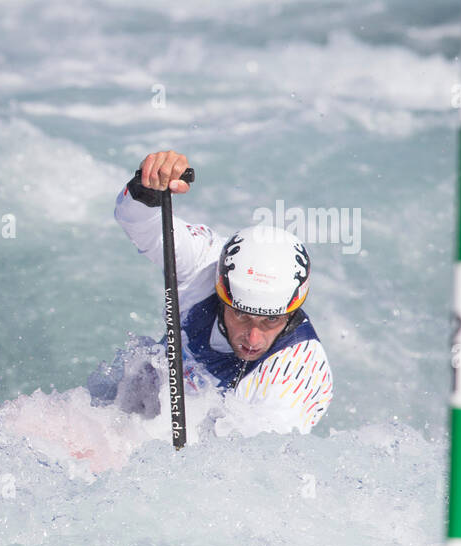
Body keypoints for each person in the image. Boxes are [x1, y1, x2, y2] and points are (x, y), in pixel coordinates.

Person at [110, 150, 333, 433]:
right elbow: (140, 221)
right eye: (240, 314)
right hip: (128, 405)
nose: (253, 338)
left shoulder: (296, 373)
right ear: (220, 290)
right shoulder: (207, 264)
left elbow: (248, 467)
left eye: (270, 321)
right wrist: (148, 188)